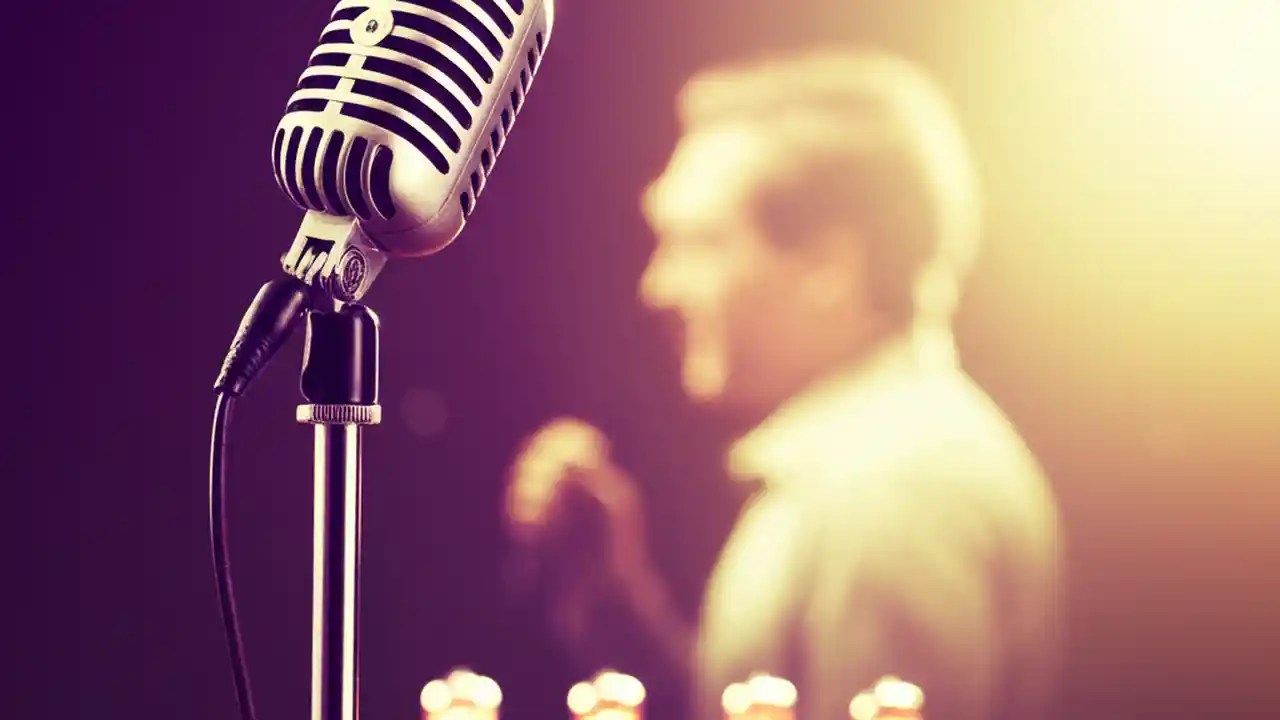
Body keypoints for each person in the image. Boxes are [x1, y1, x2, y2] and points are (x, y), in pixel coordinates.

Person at [506, 49, 1062, 720]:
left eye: (701, 242)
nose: (658, 286)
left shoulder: (889, 487)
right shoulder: (874, 463)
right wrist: (610, 603)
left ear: (829, 264)